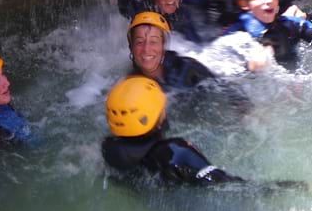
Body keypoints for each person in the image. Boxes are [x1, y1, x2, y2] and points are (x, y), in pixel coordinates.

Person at [101, 76, 243, 185]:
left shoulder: (108, 150)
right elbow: (227, 185)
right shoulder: (175, 151)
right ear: (155, 118)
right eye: (161, 109)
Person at [127, 11, 216, 89]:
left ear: (163, 46)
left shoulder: (188, 72)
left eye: (153, 42)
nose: (146, 49)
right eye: (140, 42)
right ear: (131, 47)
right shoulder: (131, 77)